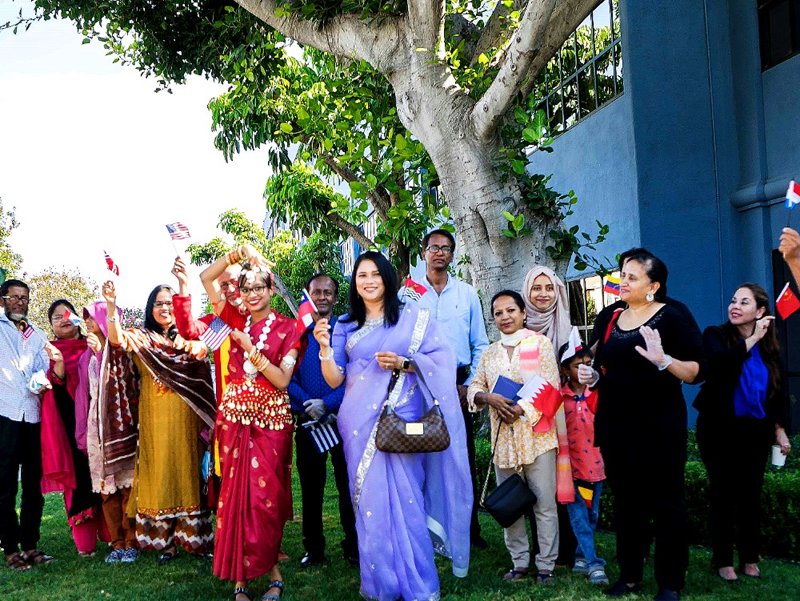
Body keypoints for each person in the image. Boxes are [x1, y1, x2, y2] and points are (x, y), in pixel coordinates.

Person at [314, 250, 471, 601]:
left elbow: (444, 362)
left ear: (387, 278)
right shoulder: (344, 325)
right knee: (370, 508)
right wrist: (324, 348)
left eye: (374, 274)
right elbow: (335, 379)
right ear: (355, 283)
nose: (368, 281)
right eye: (361, 276)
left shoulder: (413, 319)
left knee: (408, 499)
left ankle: (418, 584)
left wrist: (406, 362)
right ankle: (381, 586)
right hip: (359, 425)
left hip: (403, 423)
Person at [579, 249, 703, 601]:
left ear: (654, 285)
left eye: (632, 276)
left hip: (659, 427)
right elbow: (600, 364)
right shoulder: (610, 316)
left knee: (667, 504)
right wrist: (590, 376)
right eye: (622, 274)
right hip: (617, 427)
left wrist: (665, 361)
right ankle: (630, 575)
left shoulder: (672, 315)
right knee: (627, 505)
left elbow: (696, 370)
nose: (623, 281)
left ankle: (669, 582)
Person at [200, 247, 301, 601]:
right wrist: (233, 256)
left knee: (265, 499)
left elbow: (283, 380)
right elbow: (205, 278)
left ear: (271, 289)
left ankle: (272, 569)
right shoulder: (231, 318)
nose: (253, 293)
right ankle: (241, 581)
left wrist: (250, 350)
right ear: (240, 292)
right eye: (247, 287)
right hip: (234, 421)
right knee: (235, 499)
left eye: (260, 286)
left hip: (271, 423)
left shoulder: (290, 329)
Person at [103, 279, 216, 564]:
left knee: (188, 471)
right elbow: (116, 340)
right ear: (150, 308)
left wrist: (183, 282)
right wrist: (112, 305)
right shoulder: (141, 338)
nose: (165, 308)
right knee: (162, 472)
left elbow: (202, 376)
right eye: (159, 303)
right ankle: (164, 542)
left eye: (169, 303)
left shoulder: (188, 340)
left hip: (188, 421)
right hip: (154, 421)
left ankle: (194, 539)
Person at [694, 283, 791, 581]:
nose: (734, 306)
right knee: (724, 494)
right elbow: (718, 366)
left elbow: (775, 390)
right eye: (734, 300)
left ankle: (750, 557)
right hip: (719, 429)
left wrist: (779, 430)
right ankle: (723, 560)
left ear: (760, 311)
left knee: (750, 496)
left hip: (755, 431)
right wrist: (751, 341)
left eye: (744, 302)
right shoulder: (715, 335)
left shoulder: (769, 346)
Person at [467, 290, 560, 584]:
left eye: (511, 310)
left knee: (544, 504)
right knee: (511, 503)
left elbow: (550, 386)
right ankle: (519, 562)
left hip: (537, 438)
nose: (505, 317)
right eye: (498, 313)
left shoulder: (538, 343)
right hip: (503, 441)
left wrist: (520, 408)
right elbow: (474, 388)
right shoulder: (490, 353)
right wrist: (487, 397)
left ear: (523, 313)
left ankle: (546, 564)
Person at [411, 229, 490, 549]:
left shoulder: (467, 294)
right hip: (419, 385)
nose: (439, 253)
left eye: (446, 248)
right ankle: (426, 530)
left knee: (461, 459)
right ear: (424, 253)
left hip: (456, 385)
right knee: (422, 457)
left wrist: (468, 385)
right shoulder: (411, 295)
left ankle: (469, 531)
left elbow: (481, 344)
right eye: (433, 247)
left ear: (453, 255)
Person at [287, 273, 358, 569]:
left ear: (335, 296)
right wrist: (308, 405)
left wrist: (327, 404)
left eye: (328, 292)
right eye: (317, 291)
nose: (323, 297)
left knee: (348, 486)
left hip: (341, 420)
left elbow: (355, 376)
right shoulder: (297, 333)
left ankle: (353, 546)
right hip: (308, 422)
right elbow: (285, 376)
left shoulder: (346, 331)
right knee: (311, 490)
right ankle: (314, 549)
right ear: (309, 294)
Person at [39, 299, 107, 556]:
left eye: (68, 314)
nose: (64, 319)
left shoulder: (95, 344)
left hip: (100, 419)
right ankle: (85, 542)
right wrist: (56, 367)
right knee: (78, 481)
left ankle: (113, 534)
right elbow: (48, 385)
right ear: (52, 326)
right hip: (67, 426)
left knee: (104, 476)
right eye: (57, 317)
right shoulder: (45, 352)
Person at [521, 265, 578, 567]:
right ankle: (540, 548)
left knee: (566, 479)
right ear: (526, 292)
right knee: (537, 485)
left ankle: (568, 547)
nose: (543, 294)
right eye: (536, 288)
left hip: (566, 417)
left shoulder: (568, 327)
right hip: (532, 419)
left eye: (549, 288)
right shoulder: (517, 328)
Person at [0, 279, 55, 571]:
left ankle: (31, 544)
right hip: (4, 414)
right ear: (3, 299)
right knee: (5, 485)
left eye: (24, 298)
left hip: (32, 416)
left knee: (34, 485)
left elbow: (40, 371)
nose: (20, 302)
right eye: (14, 297)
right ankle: (10, 548)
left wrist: (42, 380)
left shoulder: (37, 336)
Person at [83, 299, 139, 563]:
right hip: (98, 430)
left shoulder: (123, 351)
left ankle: (132, 540)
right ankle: (117, 542)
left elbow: (129, 386)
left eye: (92, 317)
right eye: (86, 319)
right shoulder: (86, 356)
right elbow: (85, 395)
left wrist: (102, 354)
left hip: (122, 426)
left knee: (128, 488)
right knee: (107, 490)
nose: (87, 323)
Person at [558, 333, 608, 585]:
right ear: (566, 369)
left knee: (591, 515)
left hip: (597, 466)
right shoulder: (559, 398)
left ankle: (579, 556)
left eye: (588, 363)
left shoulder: (597, 393)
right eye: (579, 365)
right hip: (572, 470)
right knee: (578, 516)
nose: (585, 369)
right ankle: (593, 563)